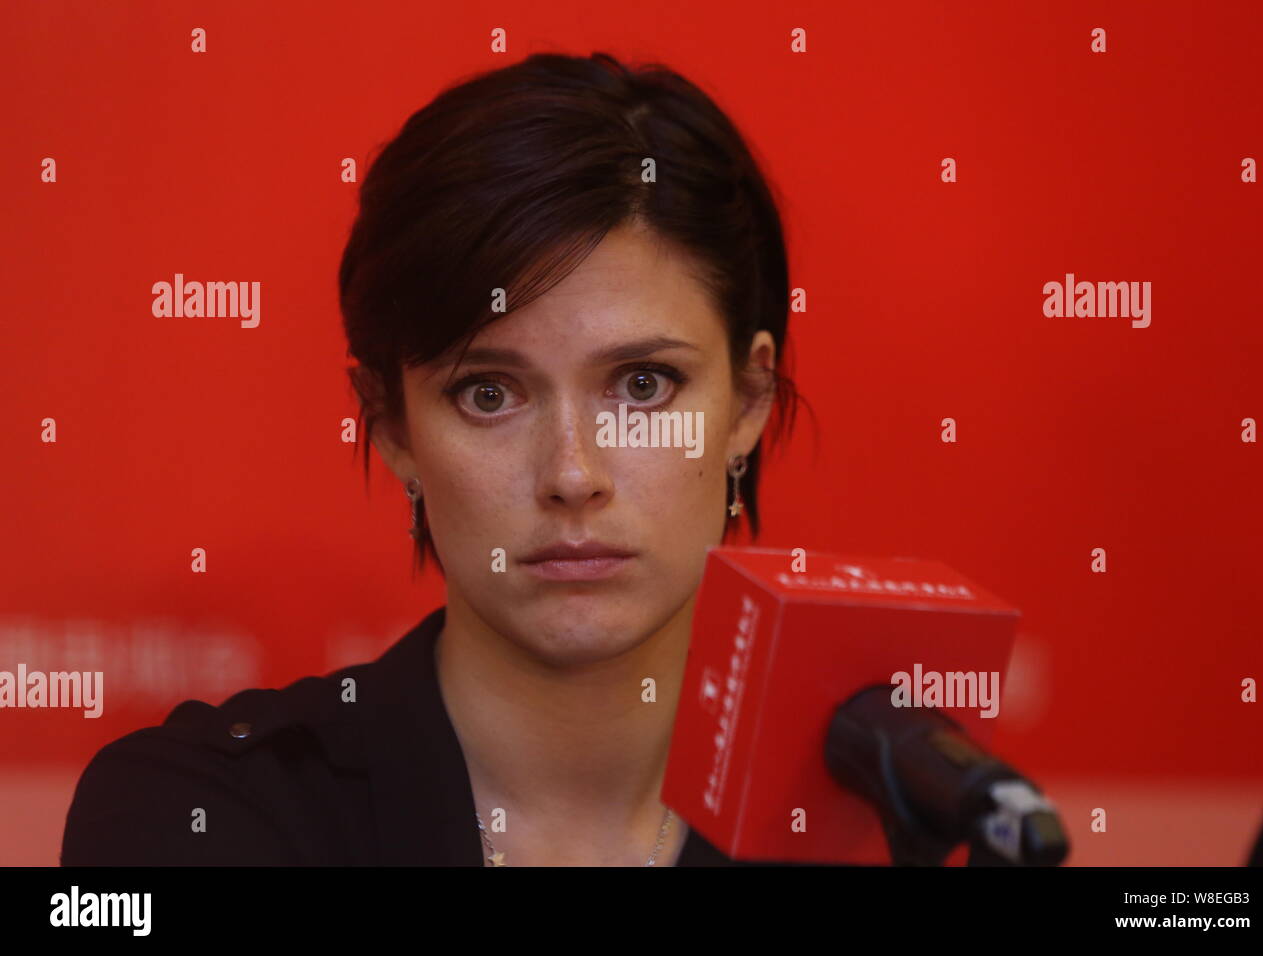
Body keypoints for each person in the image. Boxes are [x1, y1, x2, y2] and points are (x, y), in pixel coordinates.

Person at [61, 50, 805, 866]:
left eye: (642, 383)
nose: (572, 475)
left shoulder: (886, 826)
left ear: (747, 402)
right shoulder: (194, 814)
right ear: (390, 426)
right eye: (489, 393)